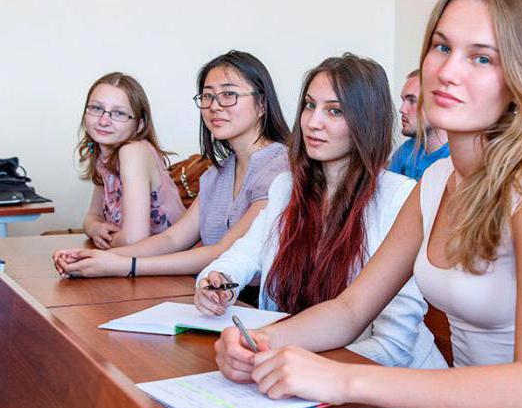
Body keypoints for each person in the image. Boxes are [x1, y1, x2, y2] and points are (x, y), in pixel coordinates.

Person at [213, 0, 522, 408]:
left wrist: (343, 379)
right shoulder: (437, 179)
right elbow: (351, 310)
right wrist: (260, 341)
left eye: (481, 58)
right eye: (441, 47)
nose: (447, 71)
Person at [195, 53, 446, 370]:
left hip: (386, 388)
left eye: (335, 111)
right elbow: (242, 255)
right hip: (299, 370)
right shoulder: (286, 186)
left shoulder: (399, 197)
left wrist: (294, 361)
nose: (313, 122)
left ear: (366, 120)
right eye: (310, 105)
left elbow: (394, 346)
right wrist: (218, 283)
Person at [53, 51, 289, 280]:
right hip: (211, 294)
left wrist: (125, 265)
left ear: (262, 105)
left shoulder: (279, 168)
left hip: (253, 303)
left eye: (229, 94)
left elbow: (224, 253)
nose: (214, 106)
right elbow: (173, 240)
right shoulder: (219, 172)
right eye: (207, 96)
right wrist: (94, 258)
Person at [74, 72, 185, 250]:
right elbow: (91, 217)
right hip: (135, 261)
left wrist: (105, 245)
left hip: (168, 266)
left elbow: (134, 240)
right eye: (96, 108)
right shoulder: (105, 157)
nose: (103, 120)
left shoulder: (133, 151)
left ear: (139, 124)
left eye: (118, 113)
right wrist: (96, 229)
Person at [388, 70, 449, 179]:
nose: (402, 109)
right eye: (403, 100)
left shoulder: (456, 159)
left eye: (412, 101)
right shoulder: (405, 151)